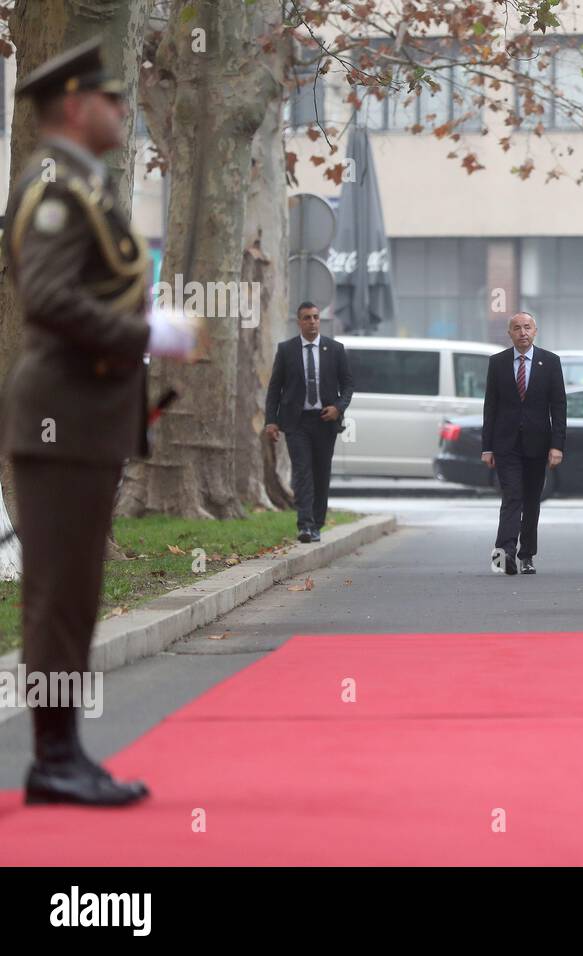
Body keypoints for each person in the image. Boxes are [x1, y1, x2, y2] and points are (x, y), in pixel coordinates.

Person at [0, 37, 198, 806]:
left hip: (87, 418)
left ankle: (65, 751)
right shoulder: (54, 189)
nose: (124, 109)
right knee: (57, 590)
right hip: (61, 414)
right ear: (76, 107)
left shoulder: (83, 184)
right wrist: (148, 336)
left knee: (76, 590)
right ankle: (53, 758)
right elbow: (48, 299)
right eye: (113, 99)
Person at [481, 312, 566, 575]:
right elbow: (490, 406)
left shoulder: (550, 362)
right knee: (512, 496)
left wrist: (557, 445)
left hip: (538, 443)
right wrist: (487, 447)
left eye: (527, 327)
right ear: (510, 333)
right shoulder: (498, 363)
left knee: (531, 499)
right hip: (506, 443)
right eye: (517, 328)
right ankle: (503, 554)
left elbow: (558, 406)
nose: (522, 332)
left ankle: (526, 555)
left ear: (535, 331)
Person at [264, 302, 354, 543]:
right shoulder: (286, 350)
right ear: (299, 322)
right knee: (302, 472)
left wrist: (338, 407)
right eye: (307, 318)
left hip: (325, 422)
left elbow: (347, 385)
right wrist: (271, 421)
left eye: (315, 317)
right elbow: (274, 390)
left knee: (321, 472)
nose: (312, 322)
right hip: (297, 423)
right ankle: (305, 525)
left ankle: (317, 523)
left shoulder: (334, 349)